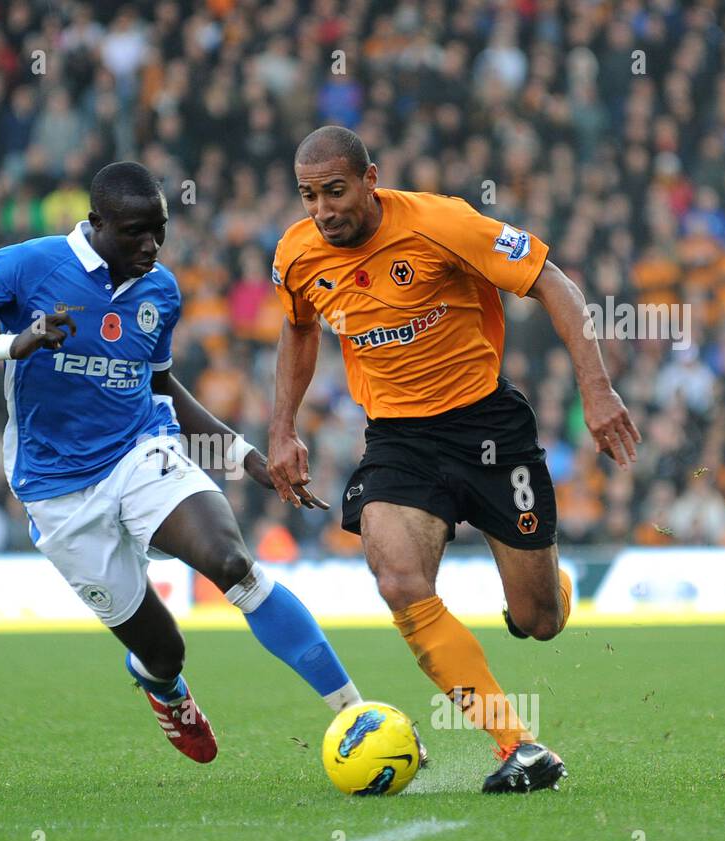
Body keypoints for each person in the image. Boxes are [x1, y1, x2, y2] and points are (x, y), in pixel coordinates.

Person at [0, 161, 381, 768]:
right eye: (135, 232)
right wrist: (10, 344)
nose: (151, 245)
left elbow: (161, 387)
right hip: (57, 490)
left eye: (160, 229)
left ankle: (357, 713)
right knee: (165, 651)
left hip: (139, 452)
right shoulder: (27, 265)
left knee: (233, 563)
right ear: (96, 223)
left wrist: (245, 456)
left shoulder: (160, 289)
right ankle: (162, 685)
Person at [267, 126, 640, 793]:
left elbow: (551, 281)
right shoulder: (297, 256)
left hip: (489, 430)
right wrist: (281, 429)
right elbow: (297, 330)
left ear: (370, 178)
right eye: (308, 195)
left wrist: (597, 387)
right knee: (398, 578)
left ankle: (548, 591)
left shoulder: (443, 224)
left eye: (334, 190)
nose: (322, 209)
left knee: (538, 621)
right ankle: (517, 745)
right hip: (400, 442)